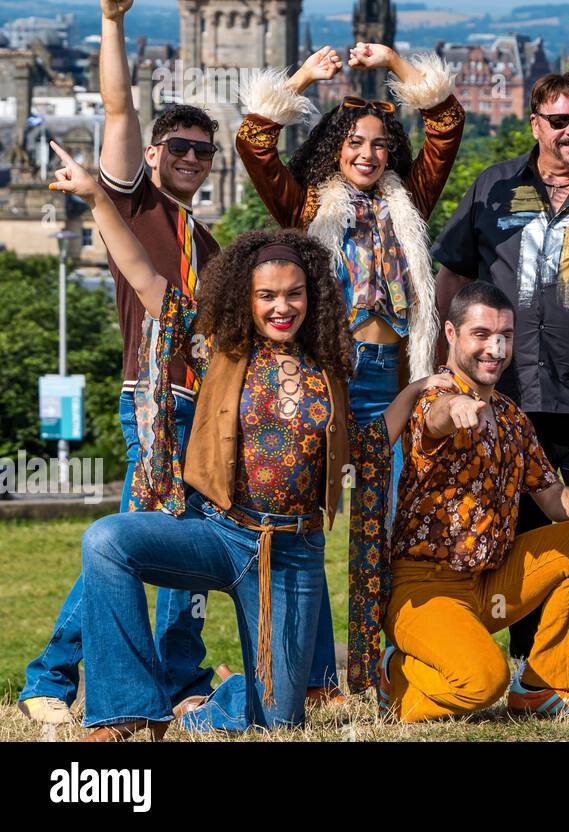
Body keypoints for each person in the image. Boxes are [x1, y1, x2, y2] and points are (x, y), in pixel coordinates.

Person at [49, 142, 427, 739]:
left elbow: (369, 446)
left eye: (293, 293)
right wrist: (98, 199)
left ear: (313, 295)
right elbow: (147, 282)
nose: (282, 307)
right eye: (267, 295)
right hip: (219, 531)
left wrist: (419, 392)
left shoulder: (335, 360)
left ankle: (211, 704)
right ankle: (129, 711)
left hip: (292, 555)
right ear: (246, 300)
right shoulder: (218, 348)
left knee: (277, 719)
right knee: (105, 542)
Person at [19, 0, 220, 727]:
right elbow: (115, 109)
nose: (192, 160)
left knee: (175, 546)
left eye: (203, 151)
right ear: (155, 155)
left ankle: (173, 673)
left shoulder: (202, 234)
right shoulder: (133, 201)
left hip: (198, 405)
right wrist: (112, 21)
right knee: (131, 541)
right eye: (180, 148)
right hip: (155, 399)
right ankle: (50, 674)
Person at [235, 41, 464, 697]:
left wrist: (394, 64)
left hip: (390, 381)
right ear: (336, 148)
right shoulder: (307, 207)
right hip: (325, 381)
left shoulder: (408, 200)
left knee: (381, 531)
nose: (368, 155)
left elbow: (446, 123)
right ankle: (309, 679)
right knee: (305, 526)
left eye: (379, 144)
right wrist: (304, 77)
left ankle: (371, 674)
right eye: (355, 143)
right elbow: (255, 143)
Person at [432, 72, 569, 690]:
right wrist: (442, 358)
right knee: (520, 533)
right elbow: (452, 269)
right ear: (534, 124)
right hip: (506, 399)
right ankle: (530, 659)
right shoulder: (493, 187)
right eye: (558, 121)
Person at [379, 280, 569, 721]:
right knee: (484, 683)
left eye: (505, 336)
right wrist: (456, 410)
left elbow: (549, 494)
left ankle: (541, 686)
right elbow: (436, 418)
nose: (496, 348)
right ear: (451, 334)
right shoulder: (433, 397)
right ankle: (396, 675)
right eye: (482, 334)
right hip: (425, 589)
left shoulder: (510, 414)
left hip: (488, 586)